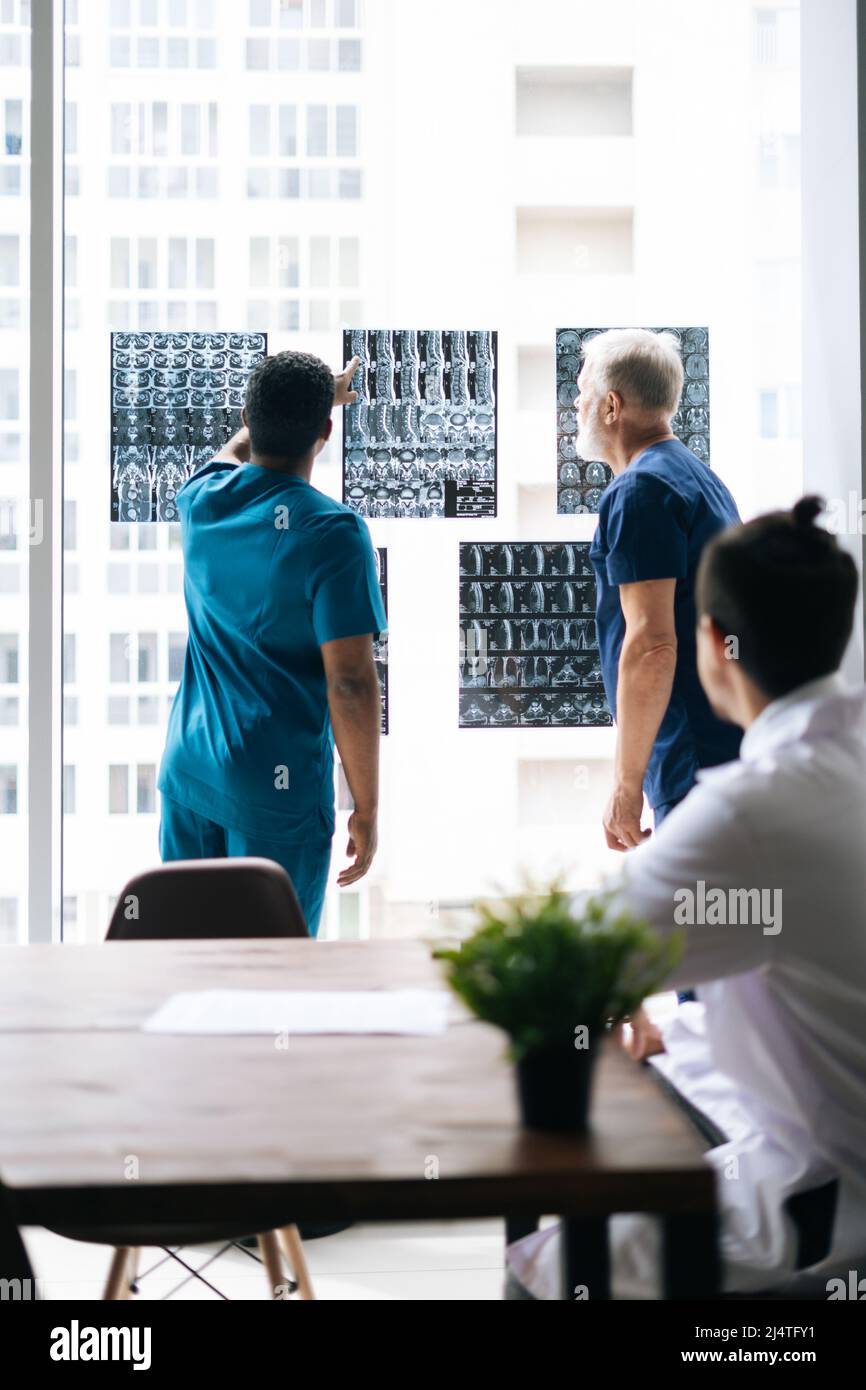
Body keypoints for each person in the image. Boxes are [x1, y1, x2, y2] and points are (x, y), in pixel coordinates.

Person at [508, 497, 866, 1298]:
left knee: (542, 1272)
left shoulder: (756, 810)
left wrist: (611, 975)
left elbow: (564, 953)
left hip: (828, 1210)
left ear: (713, 644)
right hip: (819, 1145)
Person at [158, 351, 386, 937]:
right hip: (274, 793)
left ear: (246, 416)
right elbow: (351, 682)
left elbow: (235, 450)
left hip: (191, 772)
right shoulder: (332, 533)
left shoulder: (202, 499)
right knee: (273, 977)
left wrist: (297, 406)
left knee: (188, 964)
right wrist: (366, 805)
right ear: (326, 434)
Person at [576, 328, 743, 849]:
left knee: (693, 925)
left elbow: (651, 645)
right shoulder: (697, 478)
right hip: (719, 751)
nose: (575, 405)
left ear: (611, 405)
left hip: (690, 760)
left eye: (581, 393)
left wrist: (627, 789)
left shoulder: (641, 490)